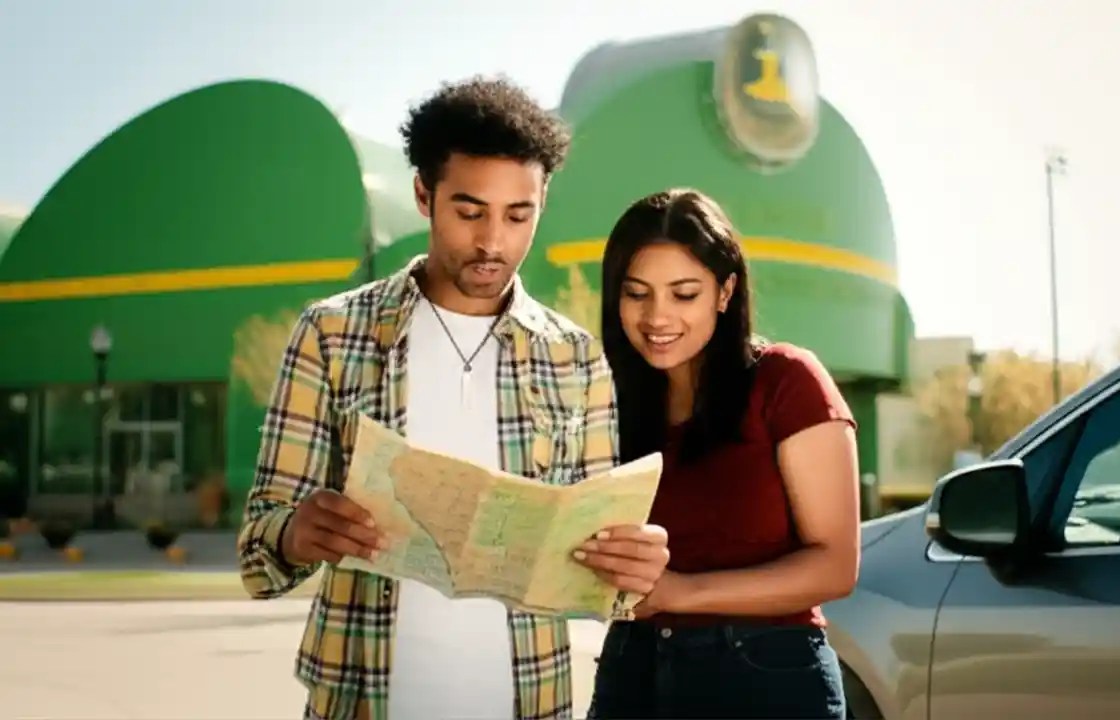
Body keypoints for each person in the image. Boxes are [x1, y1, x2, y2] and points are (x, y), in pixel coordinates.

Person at [236, 76, 670, 720]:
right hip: (362, 699)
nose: (493, 241)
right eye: (470, 212)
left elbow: (595, 570)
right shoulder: (331, 334)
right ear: (423, 194)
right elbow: (258, 553)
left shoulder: (576, 358)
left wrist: (630, 562)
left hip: (528, 698)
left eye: (518, 215)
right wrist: (297, 533)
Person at [579, 189, 862, 719]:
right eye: (636, 293)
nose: (657, 316)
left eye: (684, 294)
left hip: (764, 678)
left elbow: (836, 567)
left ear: (725, 291)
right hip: (632, 669)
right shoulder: (606, 399)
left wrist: (678, 593)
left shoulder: (786, 380)